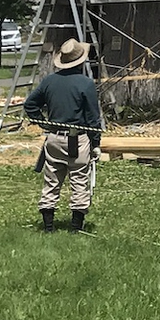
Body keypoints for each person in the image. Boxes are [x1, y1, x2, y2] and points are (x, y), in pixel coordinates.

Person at [24, 38, 104, 232]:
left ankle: (48, 227)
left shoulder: (49, 81)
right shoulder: (86, 83)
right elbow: (93, 117)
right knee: (79, 181)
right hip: (78, 139)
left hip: (53, 139)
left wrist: (43, 123)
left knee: (51, 181)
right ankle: (75, 228)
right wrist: (96, 143)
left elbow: (30, 105)